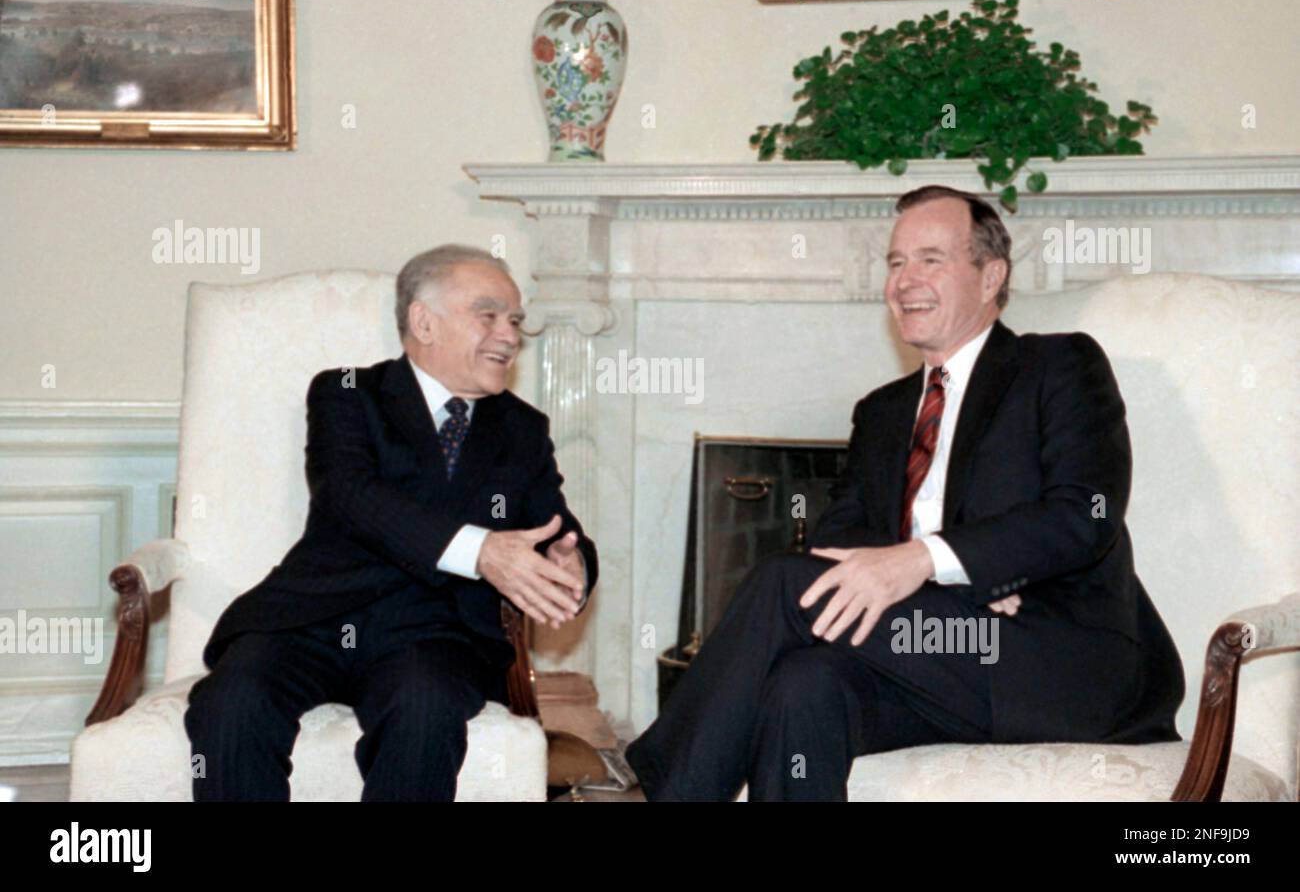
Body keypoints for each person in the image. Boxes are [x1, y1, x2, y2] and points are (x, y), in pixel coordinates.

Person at [625, 185, 1184, 801]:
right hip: (932, 651)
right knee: (802, 681)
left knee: (787, 585)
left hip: (1054, 658)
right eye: (895, 263)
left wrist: (934, 562)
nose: (904, 279)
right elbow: (842, 540)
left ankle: (666, 791)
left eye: (930, 259)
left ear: (991, 275)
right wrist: (939, 582)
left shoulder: (1057, 366)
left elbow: (1086, 516)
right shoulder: (883, 412)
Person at [185, 244, 597, 801]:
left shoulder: (520, 428)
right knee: (230, 705)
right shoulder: (349, 393)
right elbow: (350, 495)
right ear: (423, 322)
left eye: (516, 320)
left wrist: (567, 561)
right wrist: (480, 552)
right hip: (312, 616)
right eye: (489, 315)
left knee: (425, 713)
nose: (510, 335)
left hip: (434, 634)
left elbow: (557, 526)